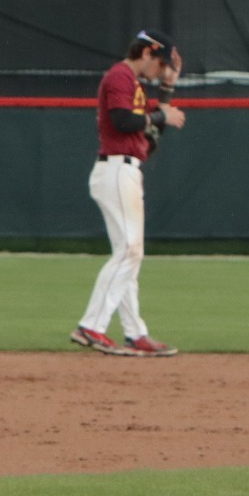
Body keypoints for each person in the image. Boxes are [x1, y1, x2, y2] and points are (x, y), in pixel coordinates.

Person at [71, 30, 185, 356]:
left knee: (128, 255)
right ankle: (91, 326)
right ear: (147, 53)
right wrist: (161, 113)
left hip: (125, 170)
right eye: (161, 64)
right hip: (116, 170)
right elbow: (123, 120)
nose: (160, 71)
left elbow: (149, 130)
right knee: (130, 253)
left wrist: (167, 89)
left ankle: (136, 334)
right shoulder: (120, 76)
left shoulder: (133, 83)